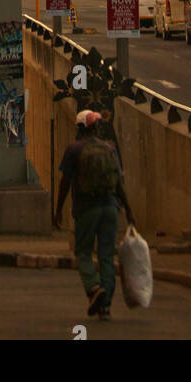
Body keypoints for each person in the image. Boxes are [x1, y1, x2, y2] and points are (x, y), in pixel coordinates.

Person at [53, 109, 134, 321]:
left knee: (84, 253)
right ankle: (105, 306)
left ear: (79, 128)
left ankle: (93, 288)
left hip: (87, 209)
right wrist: (129, 210)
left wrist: (58, 209)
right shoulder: (109, 149)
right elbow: (119, 183)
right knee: (107, 255)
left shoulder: (74, 149)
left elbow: (65, 182)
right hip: (110, 208)